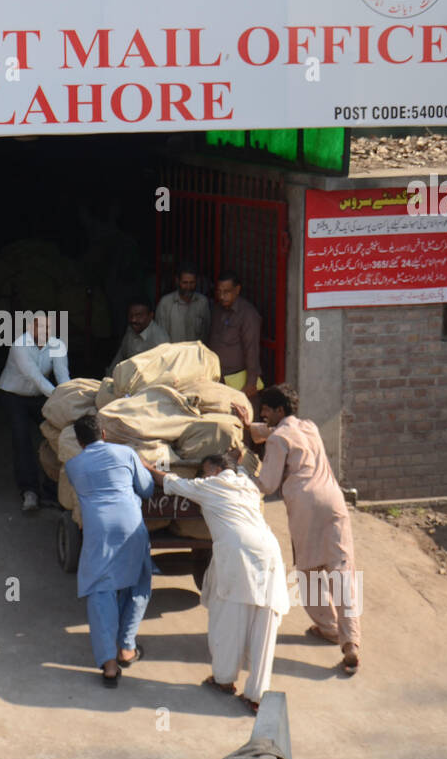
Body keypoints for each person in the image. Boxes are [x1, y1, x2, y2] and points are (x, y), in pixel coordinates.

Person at [142, 453, 289, 713]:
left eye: (206, 470)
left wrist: (145, 465)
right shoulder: (248, 484)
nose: (202, 475)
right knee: (265, 626)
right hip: (270, 551)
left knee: (228, 620)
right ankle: (257, 695)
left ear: (218, 469)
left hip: (237, 553)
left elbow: (170, 481)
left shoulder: (210, 486)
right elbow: (243, 465)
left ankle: (224, 680)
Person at [249, 384, 361, 674]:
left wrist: (243, 473)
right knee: (342, 572)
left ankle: (328, 627)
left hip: (305, 506)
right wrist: (251, 425)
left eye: (266, 410)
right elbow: (274, 431)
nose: (263, 414)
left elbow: (268, 484)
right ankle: (351, 643)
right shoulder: (309, 426)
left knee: (308, 573)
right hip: (333, 501)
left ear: (279, 410)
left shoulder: (277, 441)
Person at [64, 414, 155, 688]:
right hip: (131, 523)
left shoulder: (72, 465)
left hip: (98, 530)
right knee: (138, 581)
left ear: (80, 442)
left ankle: (109, 665)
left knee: (101, 588)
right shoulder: (126, 452)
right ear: (103, 433)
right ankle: (126, 647)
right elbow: (147, 489)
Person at [0, 311, 69, 512]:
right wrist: (59, 397)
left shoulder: (57, 345)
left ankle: (52, 489)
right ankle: (29, 492)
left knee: (56, 436)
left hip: (40, 396)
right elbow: (35, 377)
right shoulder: (19, 345)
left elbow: (63, 376)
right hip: (13, 395)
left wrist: (69, 398)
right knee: (22, 440)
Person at [207, 269, 263, 401]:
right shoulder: (217, 309)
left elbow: (252, 350)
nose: (222, 296)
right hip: (218, 379)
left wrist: (251, 383)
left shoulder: (247, 315)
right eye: (219, 292)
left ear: (237, 290)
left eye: (226, 292)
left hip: (238, 382)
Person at [107, 297, 170, 372]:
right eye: (131, 315)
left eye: (139, 315)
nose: (133, 319)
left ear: (150, 316)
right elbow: (121, 355)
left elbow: (163, 372)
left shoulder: (160, 340)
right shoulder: (130, 330)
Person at [155, 264, 211, 344]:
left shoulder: (202, 302)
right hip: (173, 355)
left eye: (192, 283)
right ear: (177, 281)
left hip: (195, 354)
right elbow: (161, 337)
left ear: (196, 282)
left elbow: (206, 333)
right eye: (185, 283)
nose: (188, 286)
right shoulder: (165, 303)